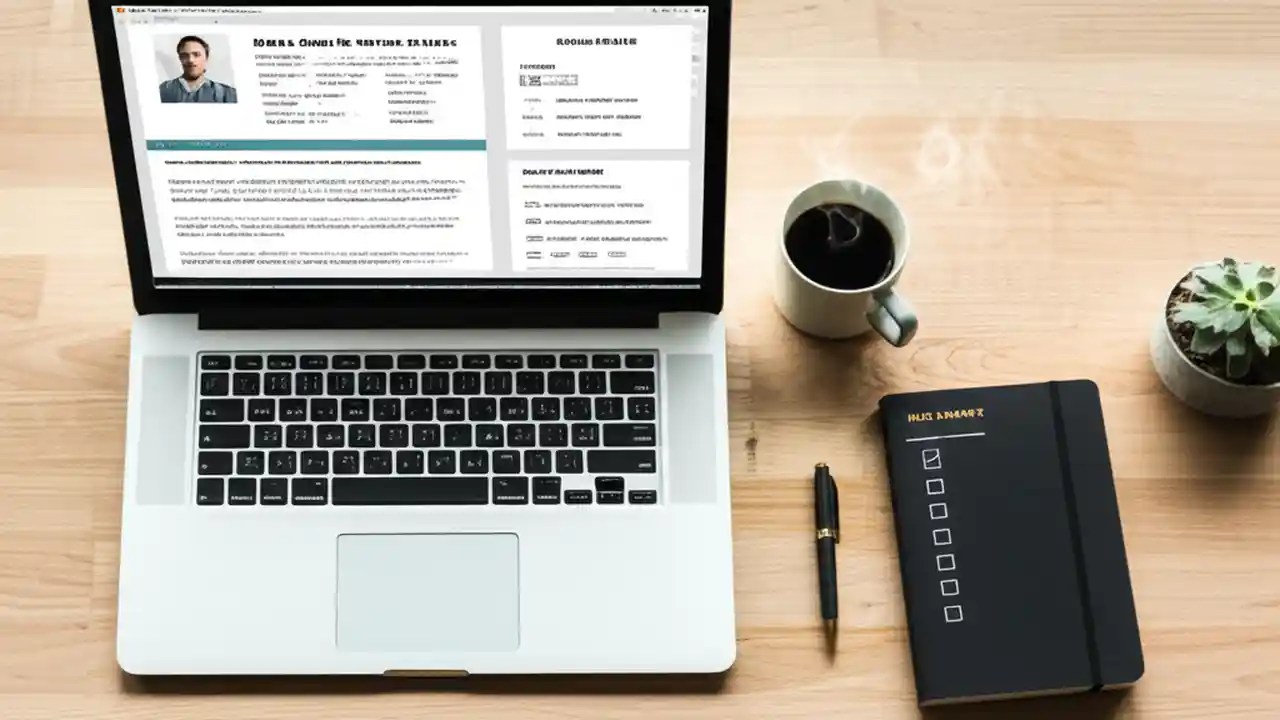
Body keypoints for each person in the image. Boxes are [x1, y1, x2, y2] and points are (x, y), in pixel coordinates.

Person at [158, 36, 237, 103]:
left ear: (206, 58)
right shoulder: (163, 90)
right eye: (185, 55)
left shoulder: (226, 94)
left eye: (196, 55)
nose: (190, 60)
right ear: (180, 59)